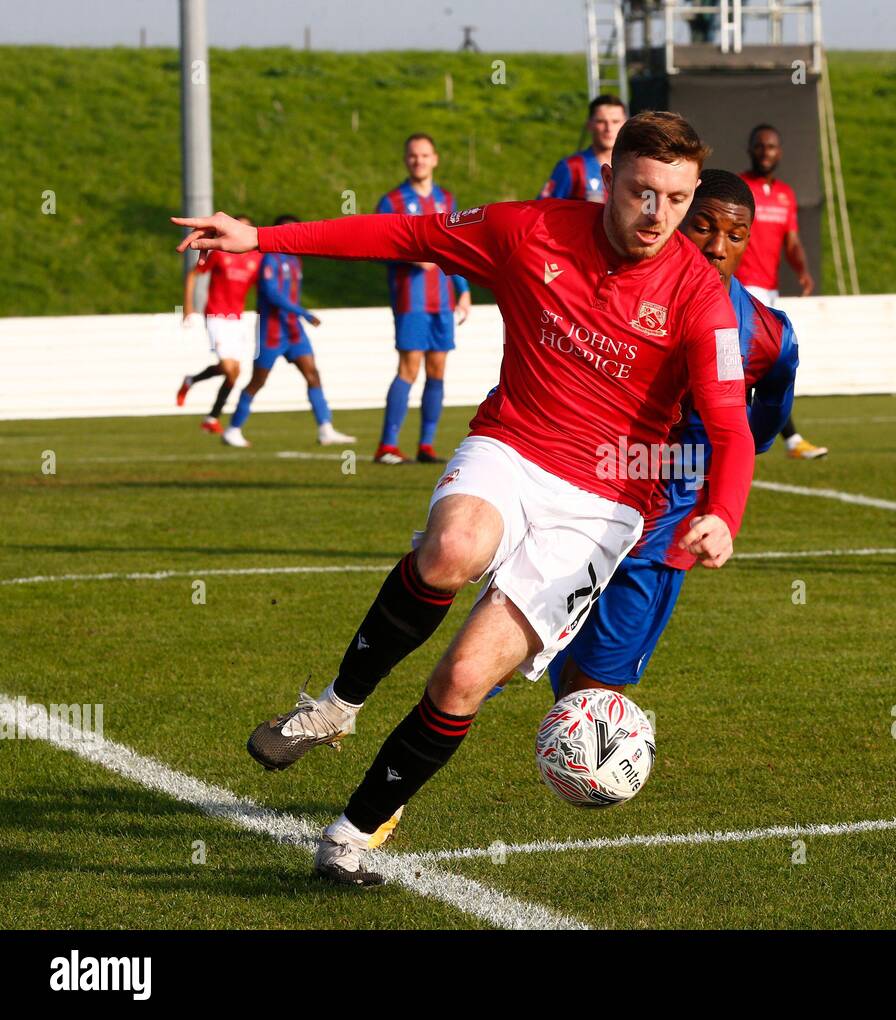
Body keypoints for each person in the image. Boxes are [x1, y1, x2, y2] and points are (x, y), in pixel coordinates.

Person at [174, 111, 756, 886]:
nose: (659, 218)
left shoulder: (699, 296)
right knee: (451, 549)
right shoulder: (530, 229)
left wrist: (724, 512)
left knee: (459, 681)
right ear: (609, 178)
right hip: (513, 444)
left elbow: (730, 426)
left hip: (604, 504)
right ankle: (335, 707)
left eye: (677, 200)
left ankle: (352, 833)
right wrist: (262, 238)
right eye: (644, 193)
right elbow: (407, 237)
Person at [546, 168, 797, 703]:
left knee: (591, 684)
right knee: (493, 660)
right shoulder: (621, 294)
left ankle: (582, 762)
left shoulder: (767, 334)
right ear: (679, 221)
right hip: (581, 498)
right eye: (703, 227)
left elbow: (765, 422)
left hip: (664, 530)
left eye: (735, 235)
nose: (717, 247)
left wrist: (723, 476)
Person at [373, 133, 472, 465]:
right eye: (413, 156)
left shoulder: (446, 199)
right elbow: (374, 243)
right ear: (406, 160)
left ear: (435, 159)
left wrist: (464, 291)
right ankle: (387, 445)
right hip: (410, 300)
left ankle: (426, 445)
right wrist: (408, 255)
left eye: (425, 155)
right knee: (409, 368)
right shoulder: (392, 202)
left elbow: (454, 247)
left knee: (438, 369)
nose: (419, 161)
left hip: (442, 301)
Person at [220, 215, 356, 449]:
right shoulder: (269, 258)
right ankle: (233, 429)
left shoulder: (295, 260)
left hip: (293, 331)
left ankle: (325, 428)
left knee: (312, 374)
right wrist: (302, 312)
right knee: (258, 381)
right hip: (271, 331)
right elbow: (272, 293)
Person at [735, 124, 826, 460]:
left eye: (771, 146)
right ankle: (788, 439)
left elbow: (791, 241)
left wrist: (801, 270)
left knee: (767, 365)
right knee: (756, 365)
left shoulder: (786, 195)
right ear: (750, 149)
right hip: (742, 287)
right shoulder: (741, 187)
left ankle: (766, 438)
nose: (765, 151)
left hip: (769, 291)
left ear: (779, 152)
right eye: (759, 146)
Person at [175, 216, 261, 433]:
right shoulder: (221, 253)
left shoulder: (256, 259)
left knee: (235, 372)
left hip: (237, 319)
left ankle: (208, 412)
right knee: (228, 369)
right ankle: (211, 414)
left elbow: (261, 287)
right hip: (216, 315)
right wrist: (188, 306)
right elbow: (193, 275)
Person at [538, 95, 627, 203]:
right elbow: (542, 210)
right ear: (589, 124)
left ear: (625, 124)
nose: (609, 128)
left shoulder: (635, 167)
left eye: (615, 121)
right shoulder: (572, 168)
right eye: (601, 122)